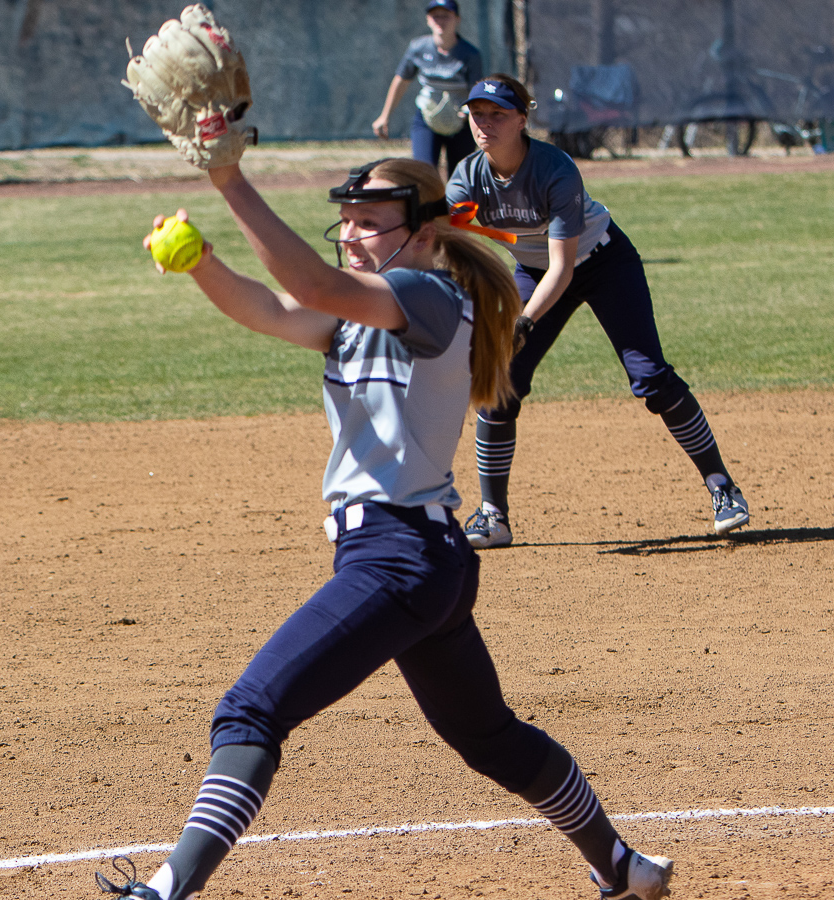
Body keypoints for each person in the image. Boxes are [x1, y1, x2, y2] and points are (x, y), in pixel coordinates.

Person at [95, 157, 676, 900]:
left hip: (397, 558)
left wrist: (228, 180)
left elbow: (313, 286)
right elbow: (276, 310)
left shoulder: (431, 296)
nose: (351, 233)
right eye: (347, 219)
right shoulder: (364, 310)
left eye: (370, 221)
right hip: (420, 558)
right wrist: (204, 263)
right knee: (489, 738)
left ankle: (166, 891)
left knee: (250, 709)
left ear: (427, 232)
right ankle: (622, 867)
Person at [446, 75, 751, 548]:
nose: (484, 123)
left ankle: (723, 488)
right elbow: (448, 245)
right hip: (533, 270)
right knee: (499, 383)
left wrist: (523, 323)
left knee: (650, 377)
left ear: (523, 120)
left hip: (602, 263)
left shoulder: (554, 168)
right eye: (477, 113)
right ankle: (493, 515)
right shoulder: (468, 177)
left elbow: (564, 267)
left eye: (498, 114)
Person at [371, 0, 483, 176]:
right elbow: (401, 81)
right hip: (427, 119)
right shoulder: (418, 47)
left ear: (457, 19)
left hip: (459, 123)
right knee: (424, 174)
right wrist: (384, 116)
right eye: (435, 16)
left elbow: (476, 91)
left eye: (446, 16)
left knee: (461, 178)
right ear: (428, 20)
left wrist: (468, 113)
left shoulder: (470, 54)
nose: (440, 20)